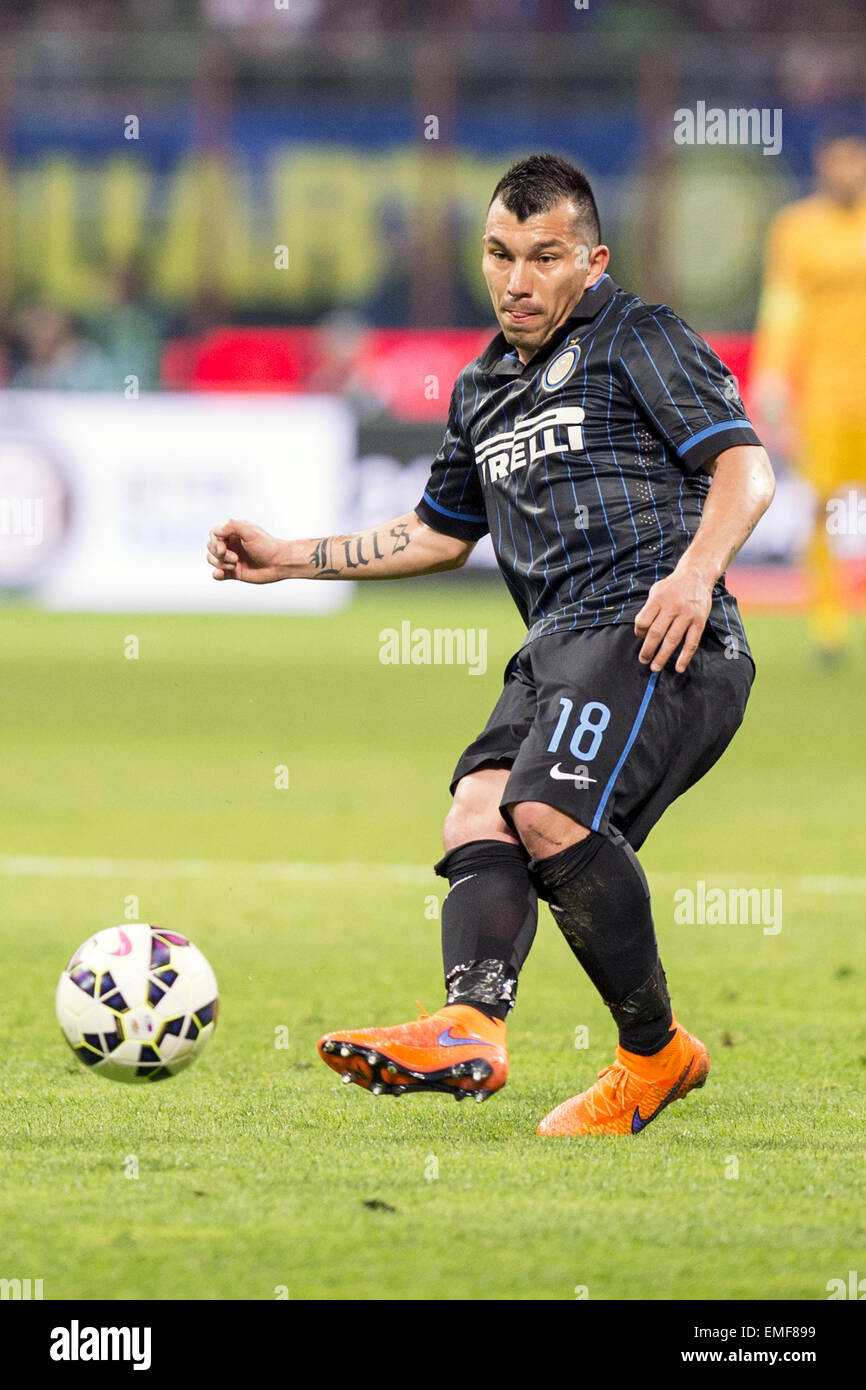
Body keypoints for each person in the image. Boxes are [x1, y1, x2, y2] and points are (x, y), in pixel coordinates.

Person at [207, 154, 775, 1137]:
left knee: (545, 811)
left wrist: (693, 574)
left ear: (591, 262)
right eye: (498, 254)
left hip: (657, 628)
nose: (516, 280)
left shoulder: (639, 337)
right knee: (479, 807)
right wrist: (287, 558)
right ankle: (469, 1025)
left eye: (543, 257)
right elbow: (438, 533)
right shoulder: (481, 387)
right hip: (556, 645)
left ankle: (653, 1053)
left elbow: (745, 468)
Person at [752, 127, 866, 661]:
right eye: (838, 162)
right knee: (823, 507)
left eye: (855, 161)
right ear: (823, 167)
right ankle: (828, 625)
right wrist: (772, 377)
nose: (847, 172)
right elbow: (783, 306)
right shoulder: (796, 229)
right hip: (824, 393)